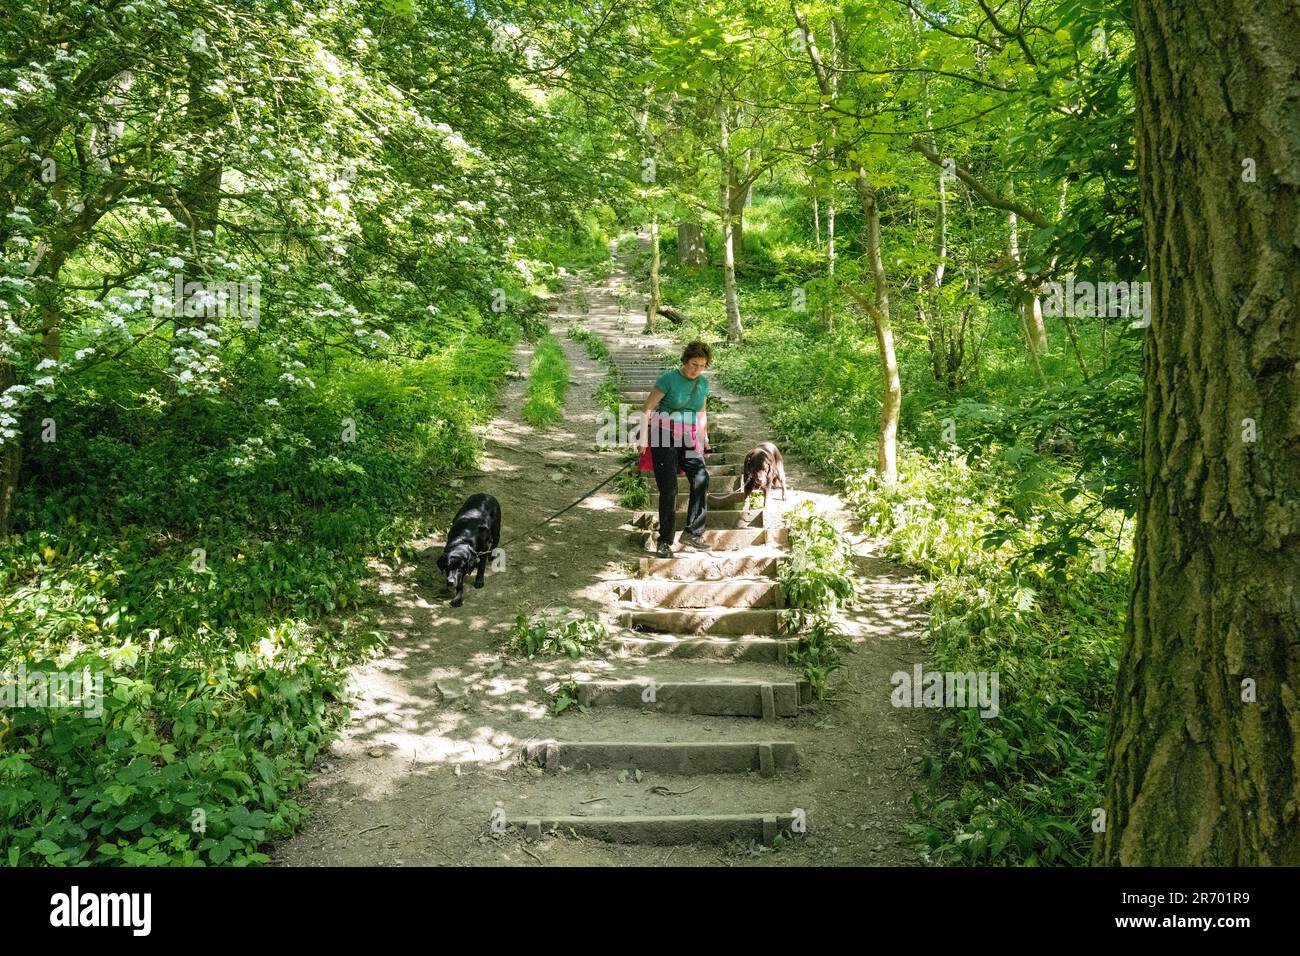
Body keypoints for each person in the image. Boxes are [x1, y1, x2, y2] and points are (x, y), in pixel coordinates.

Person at [636, 341, 712, 558]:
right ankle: (665, 541)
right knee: (669, 489)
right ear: (685, 361)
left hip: (688, 436)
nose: (696, 369)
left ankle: (692, 532)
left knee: (701, 478)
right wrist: (643, 437)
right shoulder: (668, 379)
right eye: (693, 364)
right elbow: (648, 408)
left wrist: (704, 439)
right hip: (663, 433)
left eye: (702, 365)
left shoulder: (703, 383)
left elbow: (701, 413)